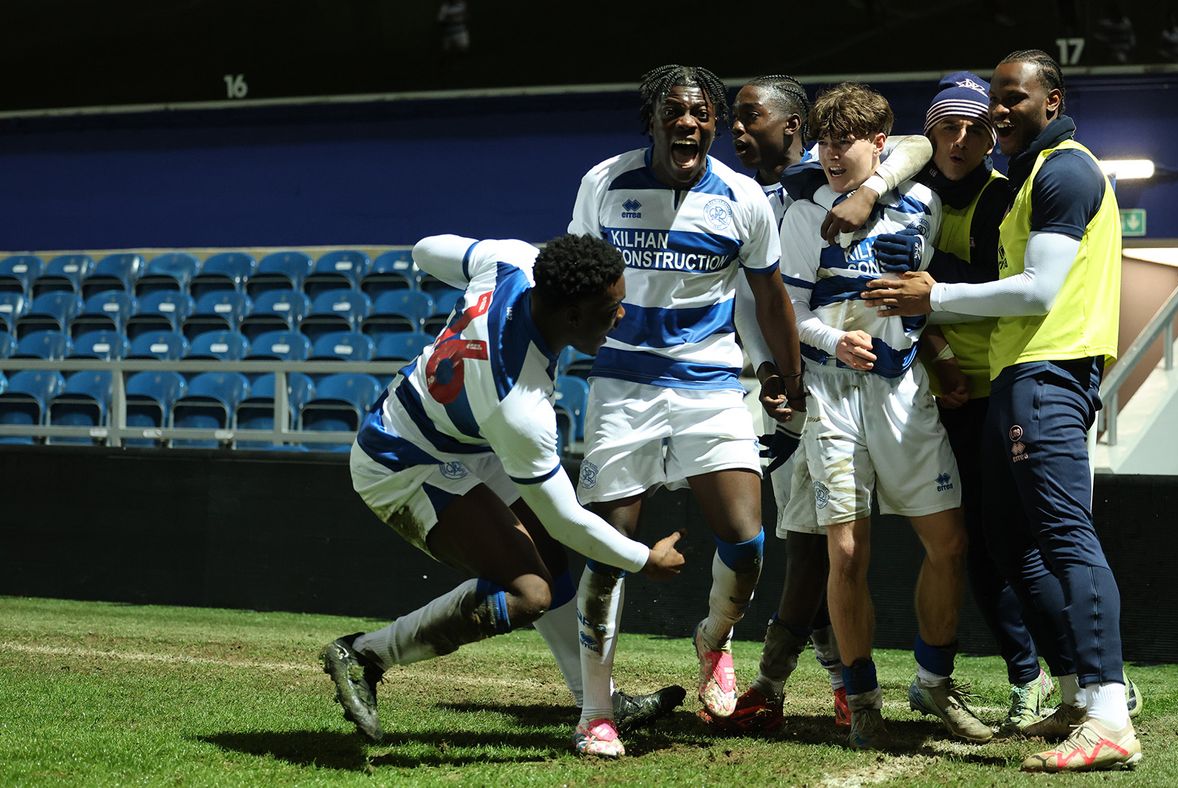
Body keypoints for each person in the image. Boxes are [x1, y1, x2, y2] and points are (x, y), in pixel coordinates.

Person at [862, 49, 1141, 771]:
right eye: (996, 99)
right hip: (1022, 375)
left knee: (1064, 538)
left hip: (1049, 372)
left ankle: (1110, 710)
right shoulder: (1027, 178)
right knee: (1011, 545)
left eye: (1015, 97)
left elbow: (1042, 289)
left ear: (1053, 100)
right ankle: (1078, 692)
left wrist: (937, 299)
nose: (1000, 109)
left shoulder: (1067, 169)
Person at [320, 233, 687, 754]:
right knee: (528, 592)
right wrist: (643, 559)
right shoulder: (519, 405)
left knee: (552, 565)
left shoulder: (514, 261)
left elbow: (424, 249)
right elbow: (566, 519)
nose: (623, 317)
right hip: (401, 461)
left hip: (462, 438)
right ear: (573, 316)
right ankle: (366, 654)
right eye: (611, 309)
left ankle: (598, 701)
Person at [567, 64, 806, 757]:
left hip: (708, 385)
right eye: (675, 111)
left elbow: (770, 300)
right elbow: (574, 277)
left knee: (747, 541)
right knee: (608, 553)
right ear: (653, 119)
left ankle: (713, 641)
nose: (690, 122)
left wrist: (785, 375)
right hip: (620, 385)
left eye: (703, 113)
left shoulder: (741, 198)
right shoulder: (603, 183)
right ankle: (594, 712)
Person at [714, 74, 935, 735]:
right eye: (735, 119)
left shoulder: (829, 175)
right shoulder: (753, 199)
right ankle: (833, 683)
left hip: (833, 388)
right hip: (781, 389)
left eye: (750, 117)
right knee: (804, 541)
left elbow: (919, 142)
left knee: (816, 547)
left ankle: (773, 684)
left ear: (793, 128)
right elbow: (754, 301)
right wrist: (764, 369)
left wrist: (870, 190)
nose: (738, 130)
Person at [780, 81, 983, 749]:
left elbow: (920, 298)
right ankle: (861, 698)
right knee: (844, 554)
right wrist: (832, 340)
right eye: (825, 141)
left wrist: (935, 334)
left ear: (878, 143)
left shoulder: (919, 200)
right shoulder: (805, 208)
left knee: (948, 545)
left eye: (847, 141)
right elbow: (788, 311)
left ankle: (932, 680)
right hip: (834, 397)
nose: (833, 153)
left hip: (903, 397)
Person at [912, 70, 1060, 733]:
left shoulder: (1008, 195)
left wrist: (930, 289)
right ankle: (843, 677)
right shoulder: (905, 196)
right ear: (930, 132)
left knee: (1007, 542)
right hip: (918, 391)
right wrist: (936, 354)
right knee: (951, 544)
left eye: (976, 126)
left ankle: (1051, 674)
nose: (963, 137)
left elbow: (1009, 282)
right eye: (949, 125)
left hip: (993, 391)